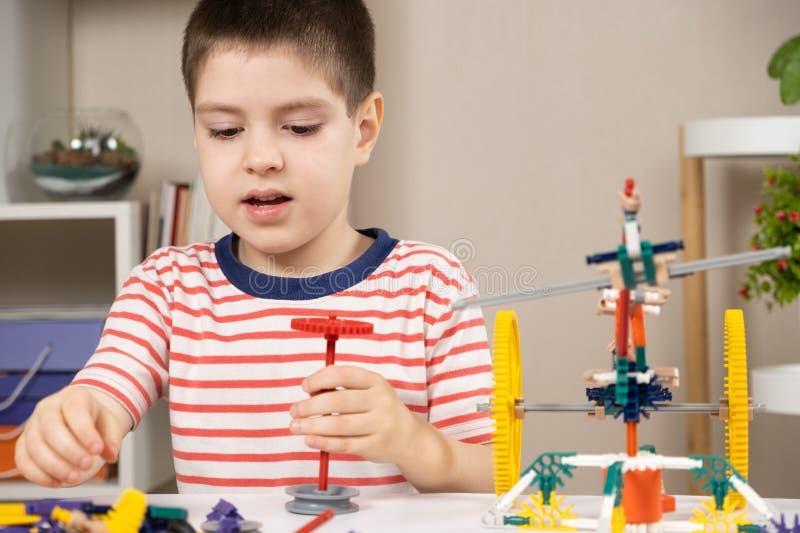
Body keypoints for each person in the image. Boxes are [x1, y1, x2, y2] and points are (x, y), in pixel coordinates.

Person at [15, 0, 494, 494]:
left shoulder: (433, 287)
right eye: (225, 130)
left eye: (300, 127)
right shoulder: (166, 289)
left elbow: (495, 476)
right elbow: (104, 392)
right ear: (197, 132)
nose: (260, 158)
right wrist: (72, 417)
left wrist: (412, 442)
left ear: (364, 129)